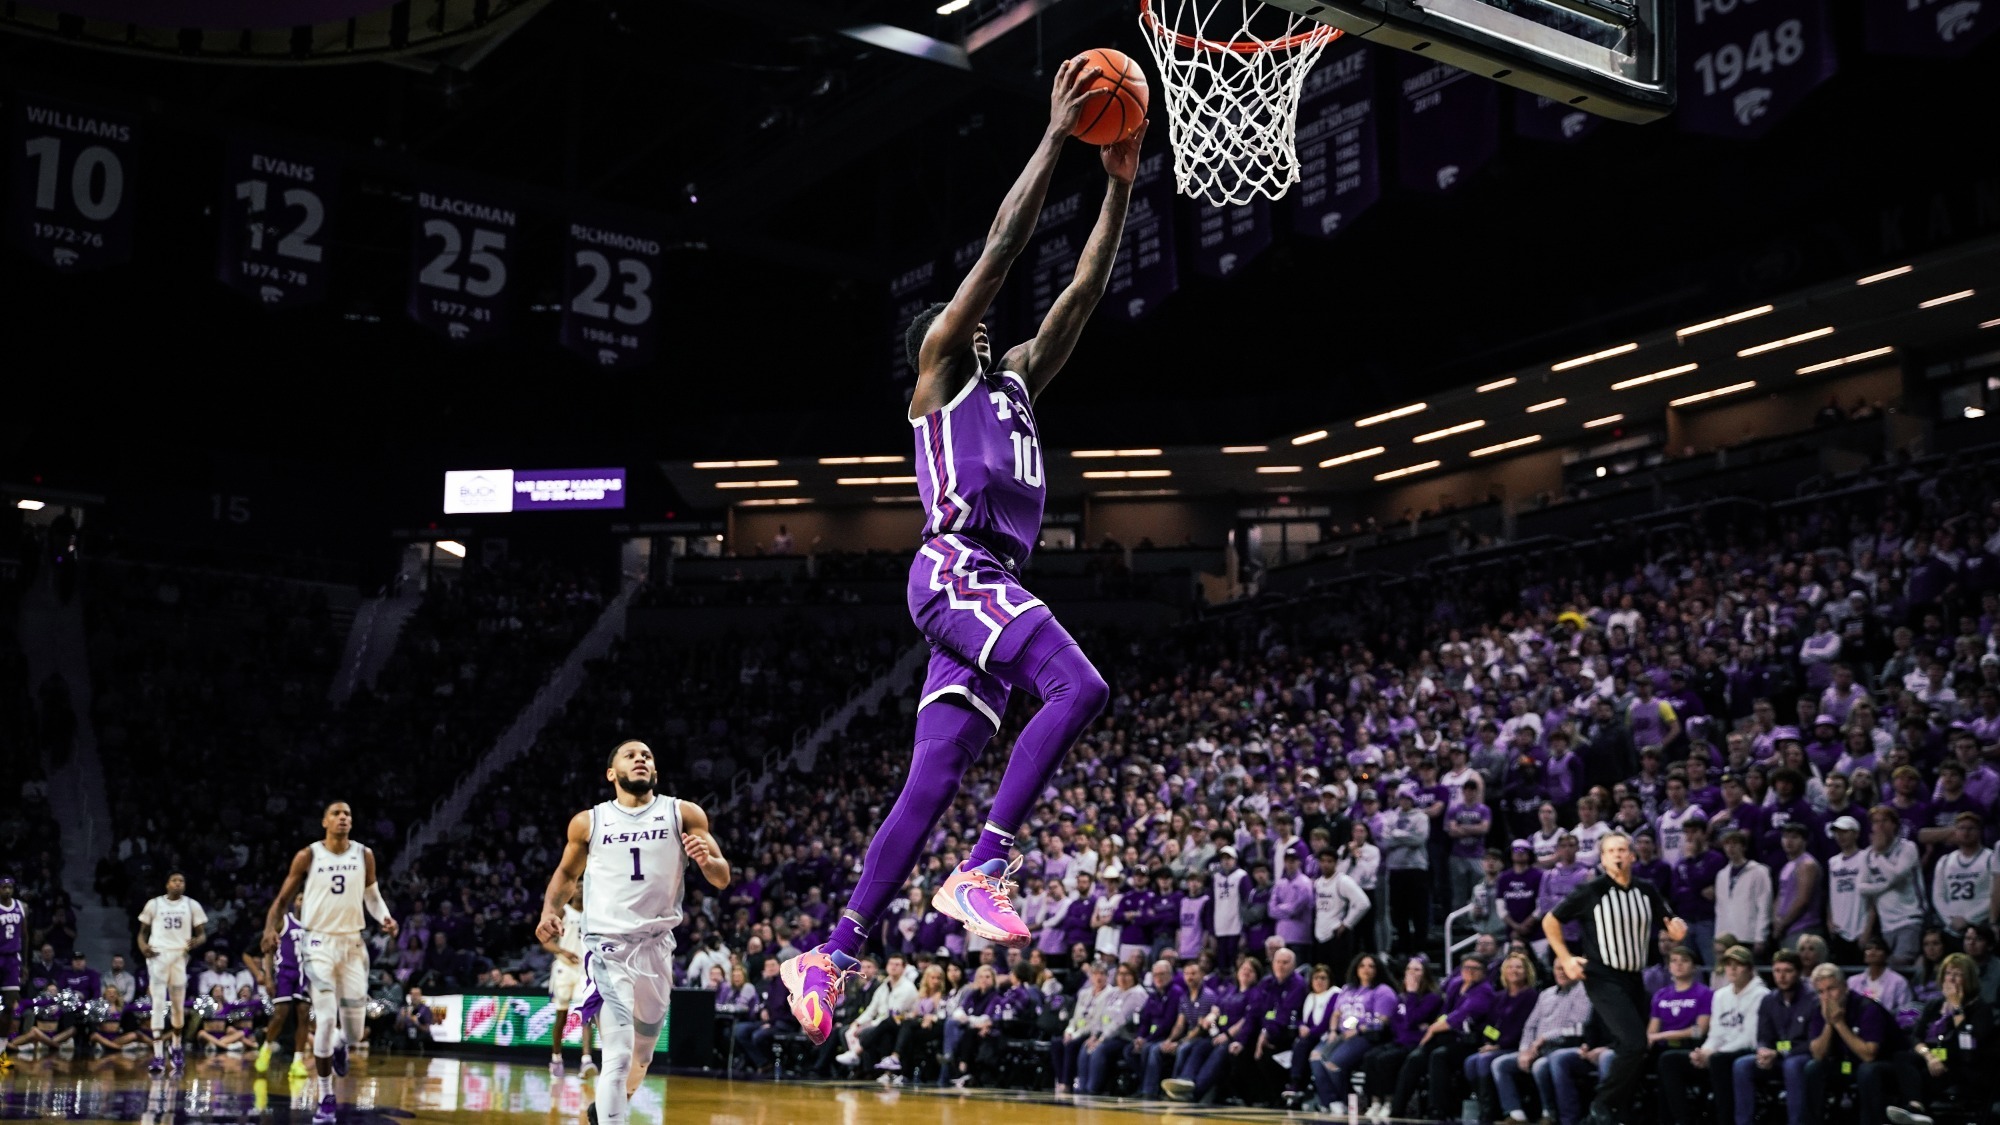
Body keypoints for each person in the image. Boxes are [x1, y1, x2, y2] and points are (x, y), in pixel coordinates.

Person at [781, 59, 1144, 1042]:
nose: (977, 310)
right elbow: (1003, 245)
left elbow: (1079, 289)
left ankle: (830, 955)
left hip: (981, 588)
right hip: (956, 568)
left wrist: (1117, 179)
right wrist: (1053, 136)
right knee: (1081, 688)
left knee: (929, 782)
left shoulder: (1020, 375)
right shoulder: (940, 369)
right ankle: (982, 865)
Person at [535, 741, 729, 1125]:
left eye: (648, 756)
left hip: (657, 949)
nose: (641, 758)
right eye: (630, 755)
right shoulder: (589, 822)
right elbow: (566, 874)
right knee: (619, 1054)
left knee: (641, 1059)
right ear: (612, 773)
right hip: (608, 949)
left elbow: (722, 878)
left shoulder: (683, 813)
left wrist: (708, 862)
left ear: (654, 772)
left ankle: (609, 1107)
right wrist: (548, 912)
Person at [262, 803, 398, 1125]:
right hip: (318, 943)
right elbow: (282, 900)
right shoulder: (308, 855)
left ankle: (341, 1045)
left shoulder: (364, 854)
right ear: (324, 821)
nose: (343, 818)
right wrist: (270, 927)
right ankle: (325, 1096)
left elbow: (373, 896)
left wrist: (385, 917)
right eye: (336, 813)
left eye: (348, 814)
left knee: (352, 1033)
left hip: (353, 944)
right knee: (323, 1019)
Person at [1541, 831, 1690, 1125]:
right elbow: (1551, 920)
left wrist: (1677, 929)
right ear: (1603, 858)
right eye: (1611, 851)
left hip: (1635, 977)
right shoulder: (1591, 890)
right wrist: (1565, 957)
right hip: (1602, 976)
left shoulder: (1646, 890)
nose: (1618, 855)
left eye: (1623, 849)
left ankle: (1613, 1115)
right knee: (1634, 1043)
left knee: (1632, 1050)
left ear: (1632, 856)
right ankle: (1602, 1104)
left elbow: (1669, 920)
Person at [1659, 944, 1767, 1125]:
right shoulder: (1720, 995)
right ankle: (1683, 1120)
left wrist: (1714, 1054)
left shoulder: (1761, 995)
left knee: (1718, 1061)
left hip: (1746, 1050)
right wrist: (1703, 1051)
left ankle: (1723, 1120)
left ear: (1749, 968)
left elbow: (1750, 1037)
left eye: (1738, 964)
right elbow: (1715, 1033)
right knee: (1669, 1059)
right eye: (1728, 964)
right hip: (1719, 1052)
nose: (1732, 969)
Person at [1886, 952, 1994, 1125]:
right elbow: (1916, 1037)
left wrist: (1957, 1006)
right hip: (1934, 1058)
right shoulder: (1934, 1005)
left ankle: (1916, 1110)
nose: (1951, 979)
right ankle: (1916, 1107)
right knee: (1902, 1057)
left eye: (1958, 974)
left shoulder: (1980, 1008)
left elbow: (1968, 1046)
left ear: (1969, 979)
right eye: (1949, 973)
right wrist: (1929, 1056)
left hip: (1964, 1064)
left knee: (1935, 1070)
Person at [1487, 955, 1591, 1125]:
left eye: (1565, 968)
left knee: (1540, 1066)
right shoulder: (1546, 994)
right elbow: (1529, 1026)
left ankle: (1549, 1113)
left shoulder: (1583, 992)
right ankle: (1516, 1115)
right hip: (1537, 1049)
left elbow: (1579, 1027)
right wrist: (1524, 1051)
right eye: (1558, 968)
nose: (1561, 972)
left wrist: (1543, 1038)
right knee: (1500, 1064)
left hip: (1564, 1047)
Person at [1390, 954, 1495, 1119]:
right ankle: (1397, 1110)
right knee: (1416, 1058)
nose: (1470, 971)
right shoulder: (1456, 984)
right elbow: (1444, 1013)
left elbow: (1460, 1016)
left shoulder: (1485, 991)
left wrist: (1432, 1029)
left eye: (1475, 968)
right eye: (1466, 967)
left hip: (1470, 1041)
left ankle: (1438, 1110)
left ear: (1484, 972)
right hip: (1447, 1036)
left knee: (1439, 1056)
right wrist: (1438, 1025)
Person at [1803, 961, 1898, 1124]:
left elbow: (1869, 1055)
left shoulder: (1867, 1008)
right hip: (1845, 1065)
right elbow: (1818, 1054)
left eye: (1831, 989)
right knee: (1813, 1068)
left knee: (1867, 1070)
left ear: (1845, 987)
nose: (1827, 997)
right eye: (1821, 991)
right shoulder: (1820, 1009)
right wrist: (1829, 1023)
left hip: (1884, 1064)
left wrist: (1839, 1023)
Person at [1308, 952, 1396, 1112]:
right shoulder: (1348, 988)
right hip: (1342, 1033)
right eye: (1362, 965)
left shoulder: (1383, 990)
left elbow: (1382, 1021)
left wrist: (1358, 1029)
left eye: (1371, 966)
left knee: (1333, 1063)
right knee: (1315, 1057)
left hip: (1365, 1036)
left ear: (1378, 969)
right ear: (1355, 968)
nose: (1366, 969)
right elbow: (1337, 1013)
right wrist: (1333, 1030)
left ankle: (1349, 1100)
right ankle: (1331, 1101)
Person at [138, 871, 206, 1074]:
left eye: (182, 881)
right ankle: (158, 1054)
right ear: (167, 884)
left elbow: (202, 934)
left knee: (177, 1006)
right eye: (175, 880)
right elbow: (142, 933)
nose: (178, 884)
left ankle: (176, 1046)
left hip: (179, 955)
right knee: (158, 1002)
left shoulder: (191, 905)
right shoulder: (154, 904)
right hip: (158, 955)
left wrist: (197, 941)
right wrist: (143, 947)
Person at [1858, 805, 1925, 973]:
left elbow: (1895, 876)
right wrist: (1885, 886)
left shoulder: (1907, 848)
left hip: (1910, 917)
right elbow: (1861, 887)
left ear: (1895, 824)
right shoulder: (1867, 854)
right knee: (1886, 969)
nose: (1880, 826)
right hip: (1886, 922)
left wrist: (1880, 854)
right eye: (1876, 822)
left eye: (1885, 821)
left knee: (1900, 965)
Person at [541, 888, 595, 1078]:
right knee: (561, 1017)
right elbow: (546, 941)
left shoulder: (592, 912)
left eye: (583, 887)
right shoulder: (564, 911)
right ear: (571, 892)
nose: (581, 891)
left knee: (586, 1016)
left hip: (583, 970)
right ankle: (556, 1059)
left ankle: (586, 1061)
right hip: (564, 969)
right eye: (577, 888)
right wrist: (563, 951)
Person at [254, 895, 310, 1079]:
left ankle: (298, 1061)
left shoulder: (315, 924)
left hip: (306, 974)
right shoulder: (284, 921)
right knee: (280, 1014)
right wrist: (268, 977)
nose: (303, 901)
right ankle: (267, 1047)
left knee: (303, 1016)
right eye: (300, 898)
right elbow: (268, 951)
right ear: (295, 902)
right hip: (285, 972)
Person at [1930, 812, 1994, 942]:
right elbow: (1938, 896)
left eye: (1970, 828)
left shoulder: (1991, 858)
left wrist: (1969, 919)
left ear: (1979, 831)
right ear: (1955, 832)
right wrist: (1949, 920)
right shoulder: (1945, 860)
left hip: (1981, 926)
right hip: (1951, 928)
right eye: (1961, 828)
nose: (1966, 832)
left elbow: (1995, 895)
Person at [1713, 830, 1773, 961]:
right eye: (1727, 844)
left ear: (1743, 846)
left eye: (1735, 843)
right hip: (1726, 937)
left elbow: (1764, 906)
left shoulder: (1759, 871)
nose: (1731, 848)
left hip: (1748, 935)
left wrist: (1760, 937)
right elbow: (1720, 908)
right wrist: (1718, 937)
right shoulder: (1721, 875)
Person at [0, 878, 23, 1054]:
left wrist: (27, 964)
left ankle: (1, 1048)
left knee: (10, 1005)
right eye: (4, 887)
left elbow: (27, 936)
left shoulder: (22, 907)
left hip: (13, 959)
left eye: (9, 887)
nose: (7, 890)